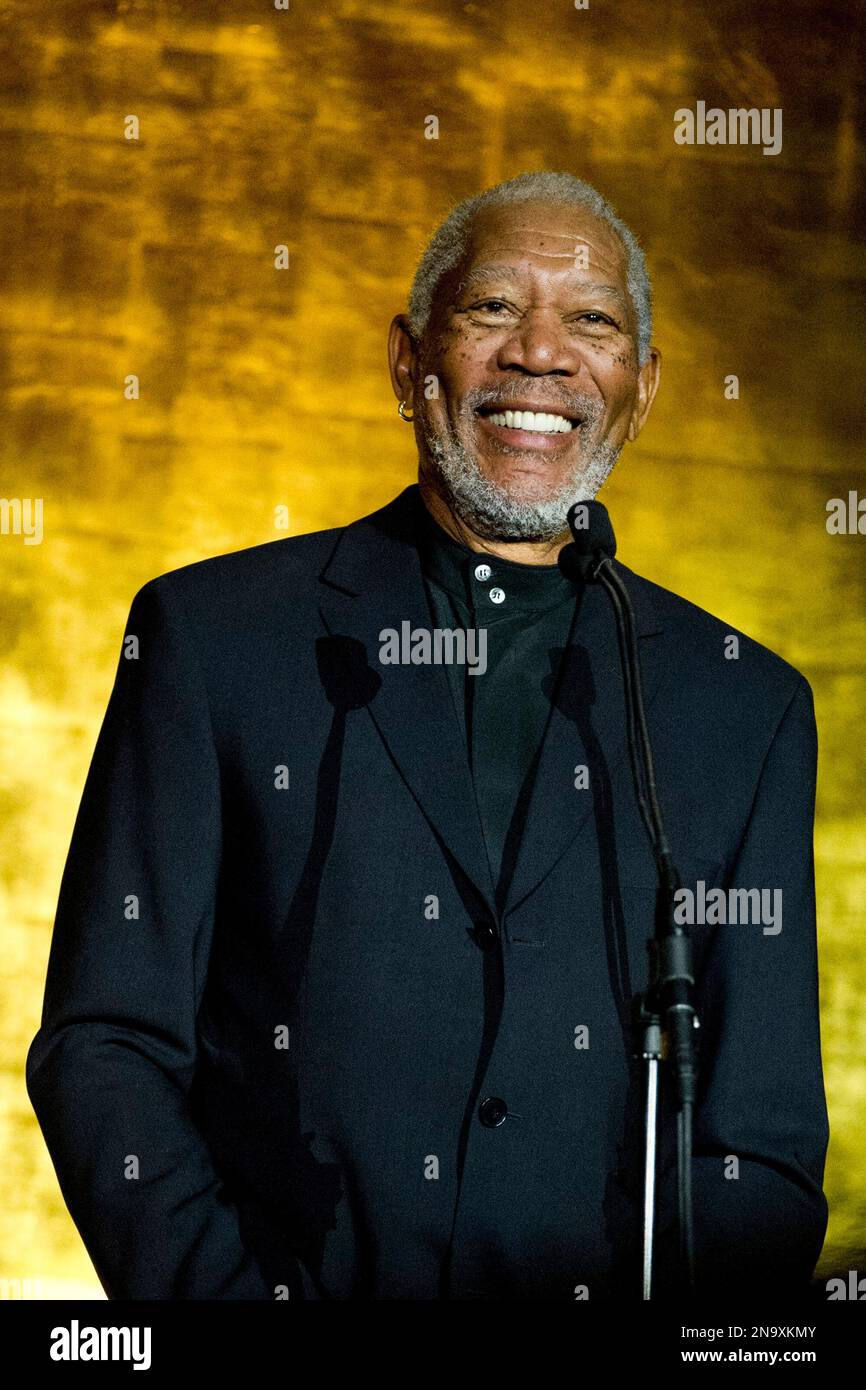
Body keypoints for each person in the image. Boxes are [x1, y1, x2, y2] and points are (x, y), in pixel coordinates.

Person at [26, 170, 829, 1301]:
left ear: (639, 393)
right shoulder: (212, 638)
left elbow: (762, 1145)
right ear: (408, 362)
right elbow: (105, 1042)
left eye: (590, 321)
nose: (539, 354)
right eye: (492, 308)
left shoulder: (742, 704)